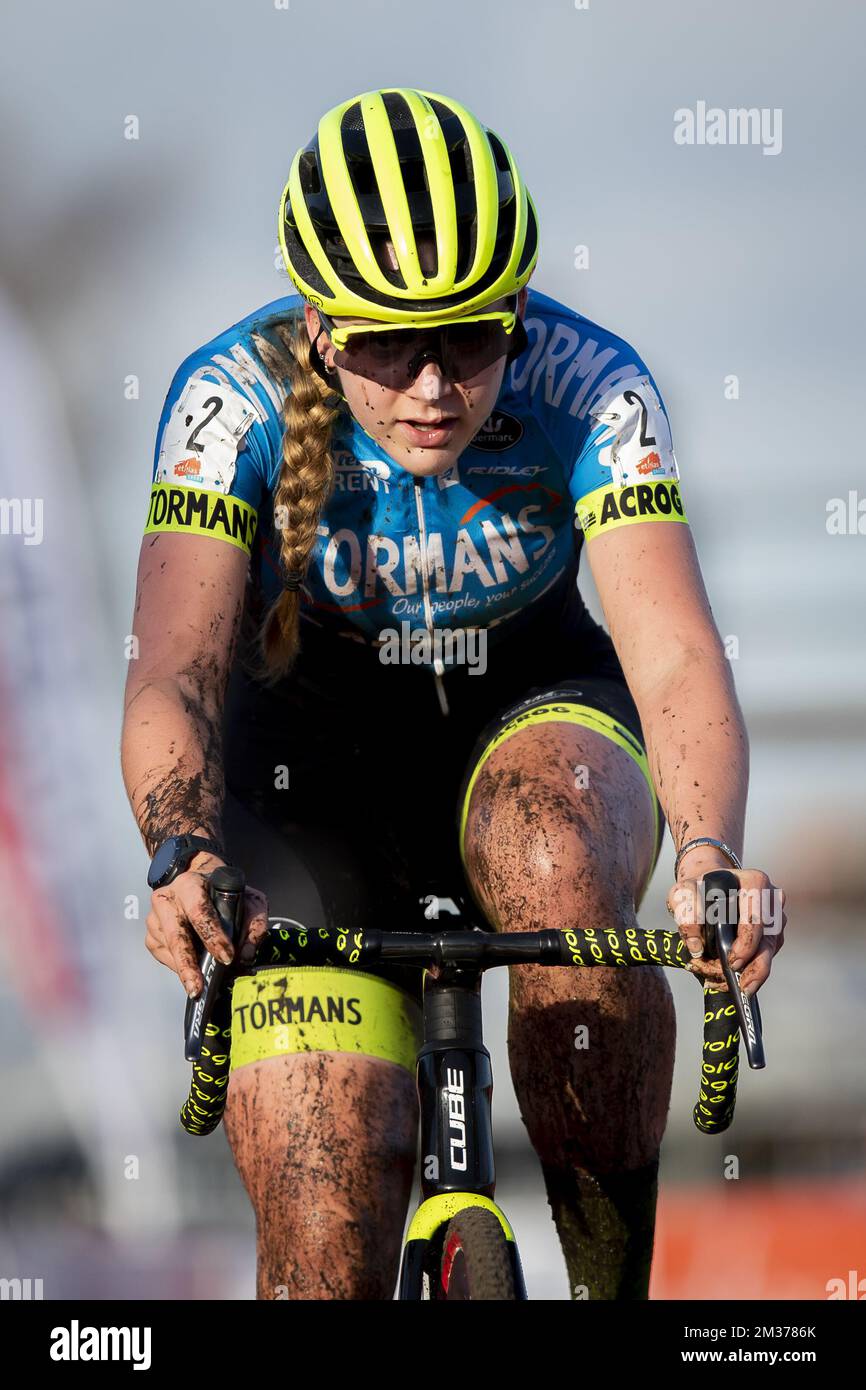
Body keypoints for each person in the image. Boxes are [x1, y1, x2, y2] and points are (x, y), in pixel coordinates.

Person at [121, 87, 785, 1300]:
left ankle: (610, 1286)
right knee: (325, 1202)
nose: (432, 384)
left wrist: (705, 853)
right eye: (386, 344)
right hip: (306, 770)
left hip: (531, 713)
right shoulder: (230, 403)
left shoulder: (595, 385)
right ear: (321, 329)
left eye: (471, 339)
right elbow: (173, 673)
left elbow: (678, 656)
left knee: (554, 855)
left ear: (518, 313)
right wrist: (180, 847)